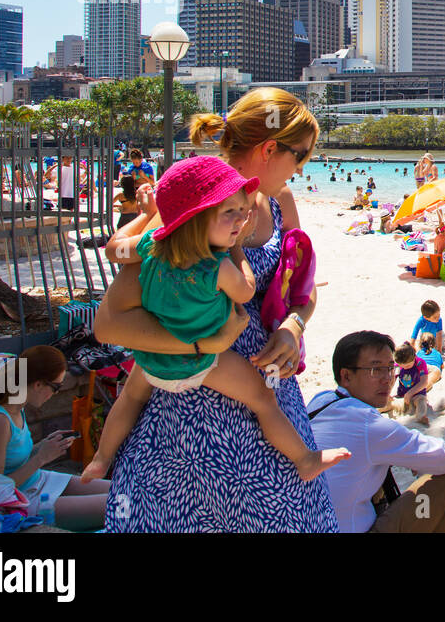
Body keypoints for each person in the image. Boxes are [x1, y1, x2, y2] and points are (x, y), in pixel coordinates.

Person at [94, 87, 338, 532]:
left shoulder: (281, 201)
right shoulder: (194, 198)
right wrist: (206, 342)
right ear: (269, 148)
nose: (302, 167)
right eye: (299, 155)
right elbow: (109, 324)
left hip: (270, 410)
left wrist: (293, 326)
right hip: (185, 413)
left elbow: (300, 286)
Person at [85, 156, 350, 483]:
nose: (241, 220)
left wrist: (149, 215)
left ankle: (101, 458)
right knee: (262, 400)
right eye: (230, 213)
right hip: (205, 362)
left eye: (242, 211)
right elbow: (245, 291)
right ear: (195, 218)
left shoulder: (152, 247)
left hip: (153, 362)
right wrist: (237, 250)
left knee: (130, 397)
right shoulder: (215, 265)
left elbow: (113, 250)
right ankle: (305, 459)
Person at [308, 331, 445, 533]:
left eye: (390, 368)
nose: (387, 379)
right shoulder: (366, 424)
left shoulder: (321, 401)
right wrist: (421, 461)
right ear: (346, 376)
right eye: (375, 370)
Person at [0, 347, 112, 530]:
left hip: (38, 481)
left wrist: (43, 446)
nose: (56, 393)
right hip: (21, 499)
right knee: (119, 504)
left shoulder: (17, 410)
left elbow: (14, 457)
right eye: (56, 387)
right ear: (38, 384)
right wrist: (42, 457)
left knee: (123, 490)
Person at [392, 341, 431, 424]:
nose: (405, 368)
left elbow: (424, 382)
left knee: (421, 401)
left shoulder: (420, 363)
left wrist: (410, 393)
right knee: (389, 403)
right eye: (403, 366)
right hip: (402, 395)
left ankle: (421, 416)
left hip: (418, 394)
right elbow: (392, 379)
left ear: (414, 358)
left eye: (408, 365)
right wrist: (388, 392)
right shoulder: (398, 365)